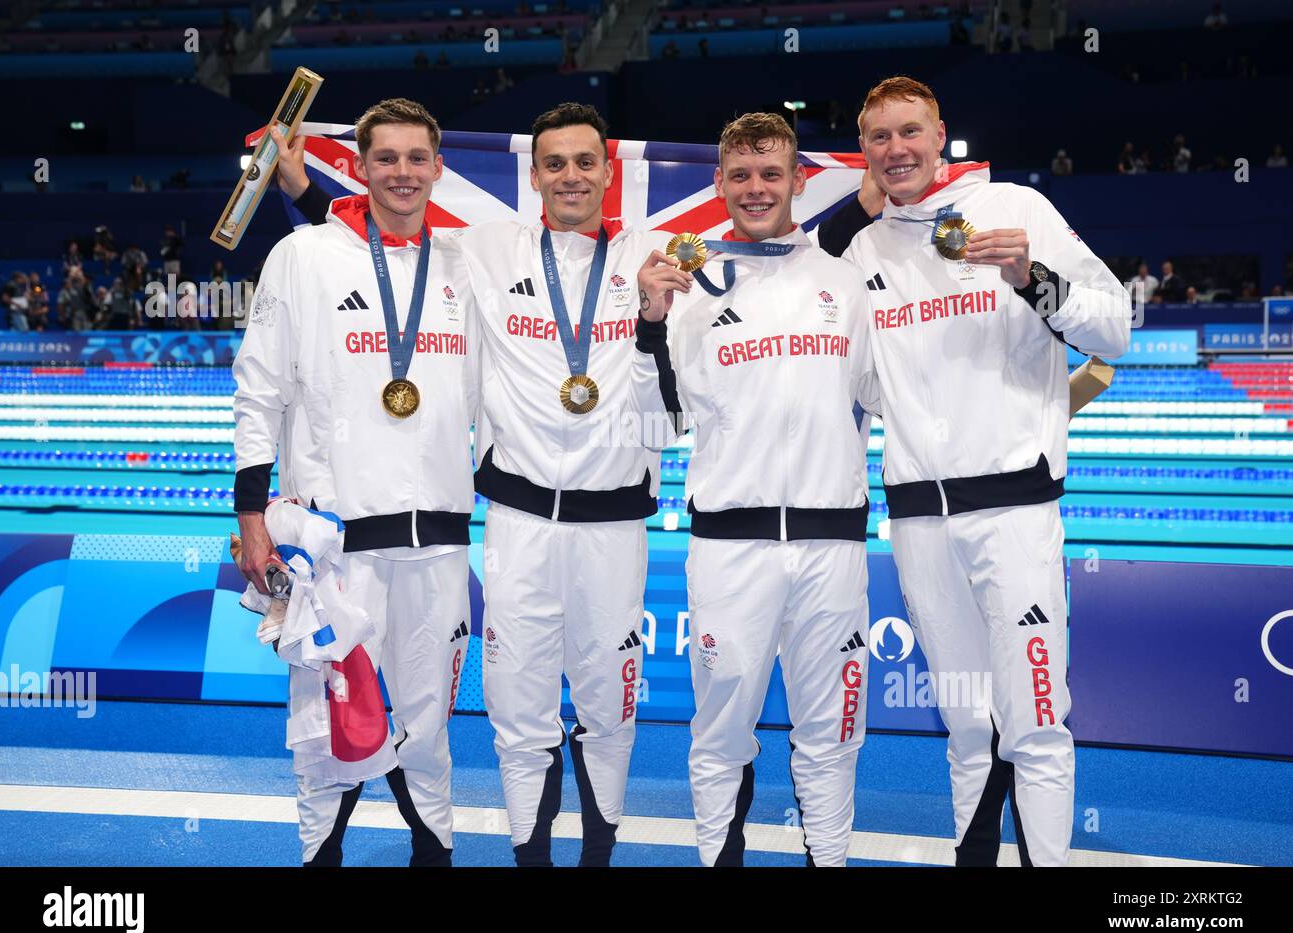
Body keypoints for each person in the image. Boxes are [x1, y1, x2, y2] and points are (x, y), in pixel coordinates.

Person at [273, 103, 665, 867]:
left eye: (586, 162)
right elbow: (388, 237)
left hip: (617, 524)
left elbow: (774, 246)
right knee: (519, 715)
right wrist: (305, 194)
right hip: (516, 522)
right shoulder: (484, 251)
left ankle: (597, 856)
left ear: (610, 174)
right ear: (533, 176)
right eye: (554, 163)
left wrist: (867, 205)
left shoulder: (653, 254)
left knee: (608, 708)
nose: (571, 177)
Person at [843, 76, 1130, 866]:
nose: (897, 149)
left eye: (910, 132)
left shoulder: (1016, 209)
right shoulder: (866, 252)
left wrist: (1034, 280)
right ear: (865, 152)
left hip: (1012, 516)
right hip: (917, 523)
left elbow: (1116, 326)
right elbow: (865, 382)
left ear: (941, 136)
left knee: (1035, 721)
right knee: (969, 723)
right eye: (879, 138)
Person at [234, 98, 480, 867]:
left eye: (417, 158)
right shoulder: (303, 258)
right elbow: (259, 390)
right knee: (330, 717)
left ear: (439, 167)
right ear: (361, 167)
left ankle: (432, 851)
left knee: (429, 721)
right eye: (386, 158)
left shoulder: (470, 265)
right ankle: (320, 856)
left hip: (437, 544)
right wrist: (251, 517)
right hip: (338, 549)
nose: (403, 173)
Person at [632, 112, 881, 866]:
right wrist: (648, 323)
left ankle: (827, 860)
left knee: (833, 728)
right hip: (729, 545)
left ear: (799, 181)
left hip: (829, 542)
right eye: (740, 174)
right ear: (719, 184)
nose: (756, 187)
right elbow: (654, 425)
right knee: (719, 731)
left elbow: (885, 392)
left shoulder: (844, 281)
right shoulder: (688, 285)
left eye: (771, 173)